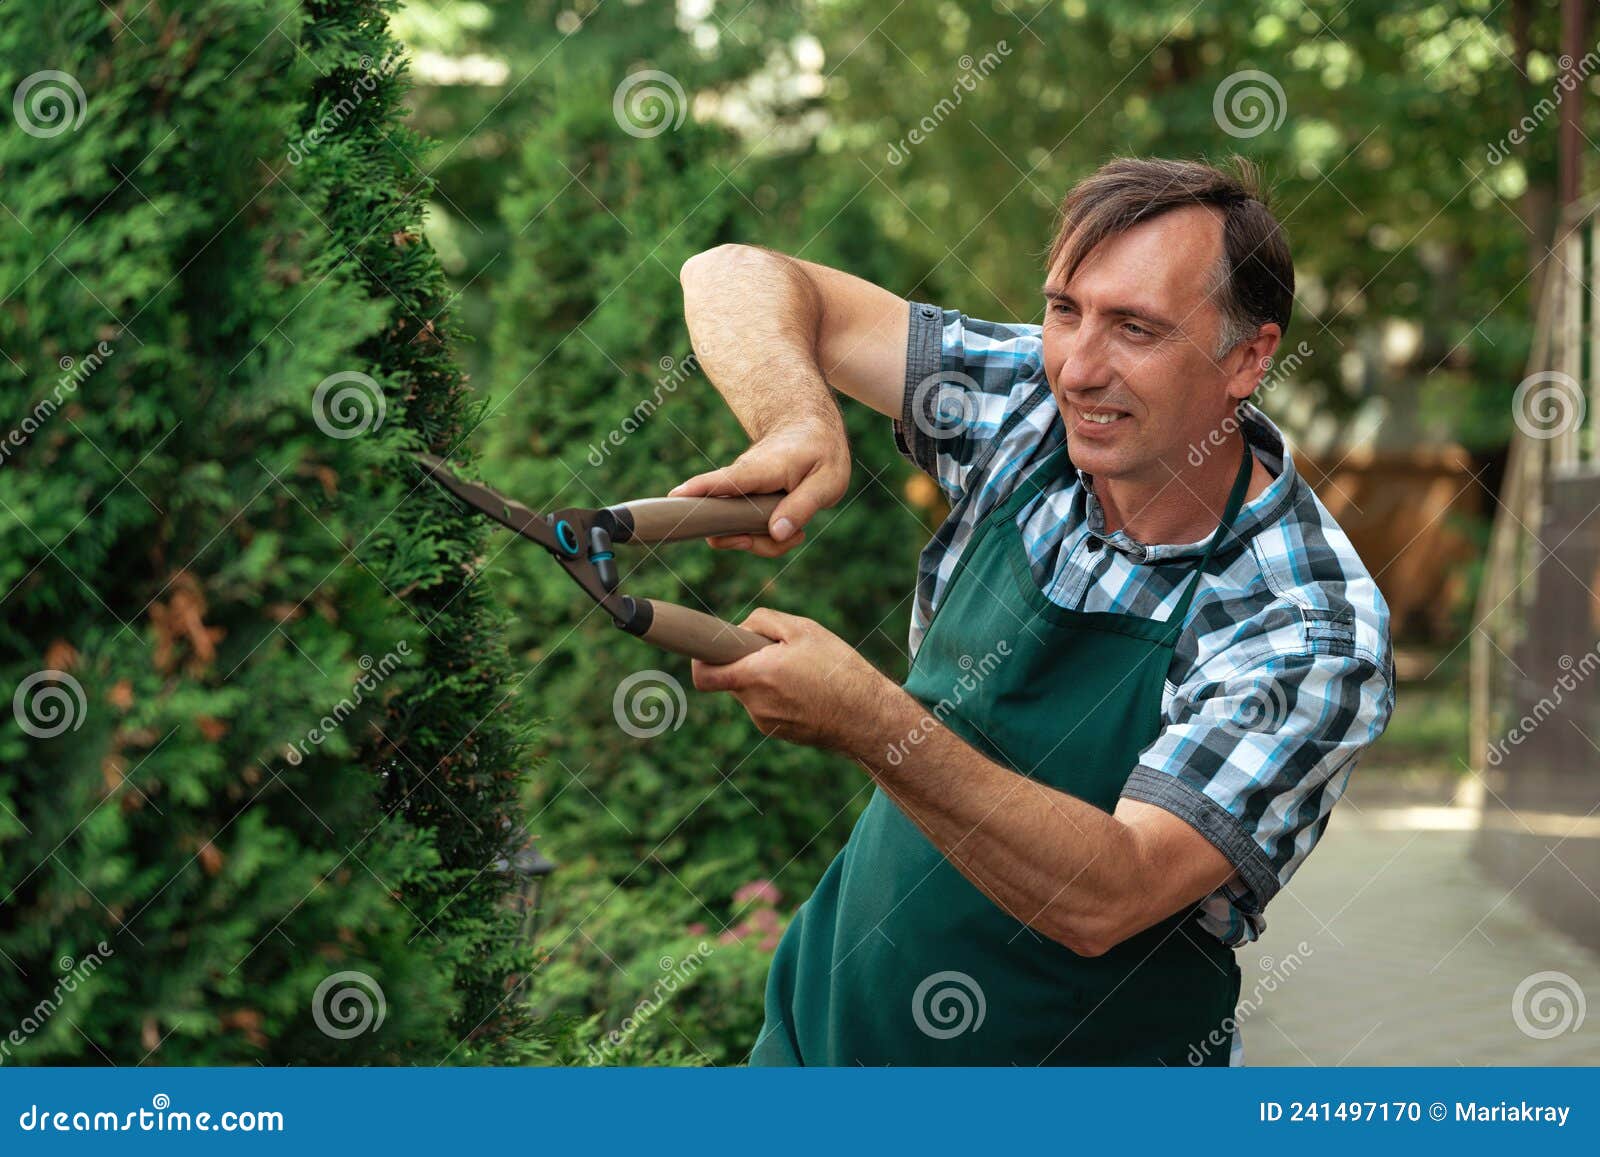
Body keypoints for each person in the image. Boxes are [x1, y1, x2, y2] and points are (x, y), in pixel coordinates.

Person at [672, 155, 1395, 1066]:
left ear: (1248, 357)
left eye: (1136, 327)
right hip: (818, 1049)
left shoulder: (1306, 627)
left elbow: (1111, 895)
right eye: (1064, 310)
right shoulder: (1028, 409)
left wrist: (871, 721)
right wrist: (797, 420)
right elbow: (731, 272)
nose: (1078, 369)